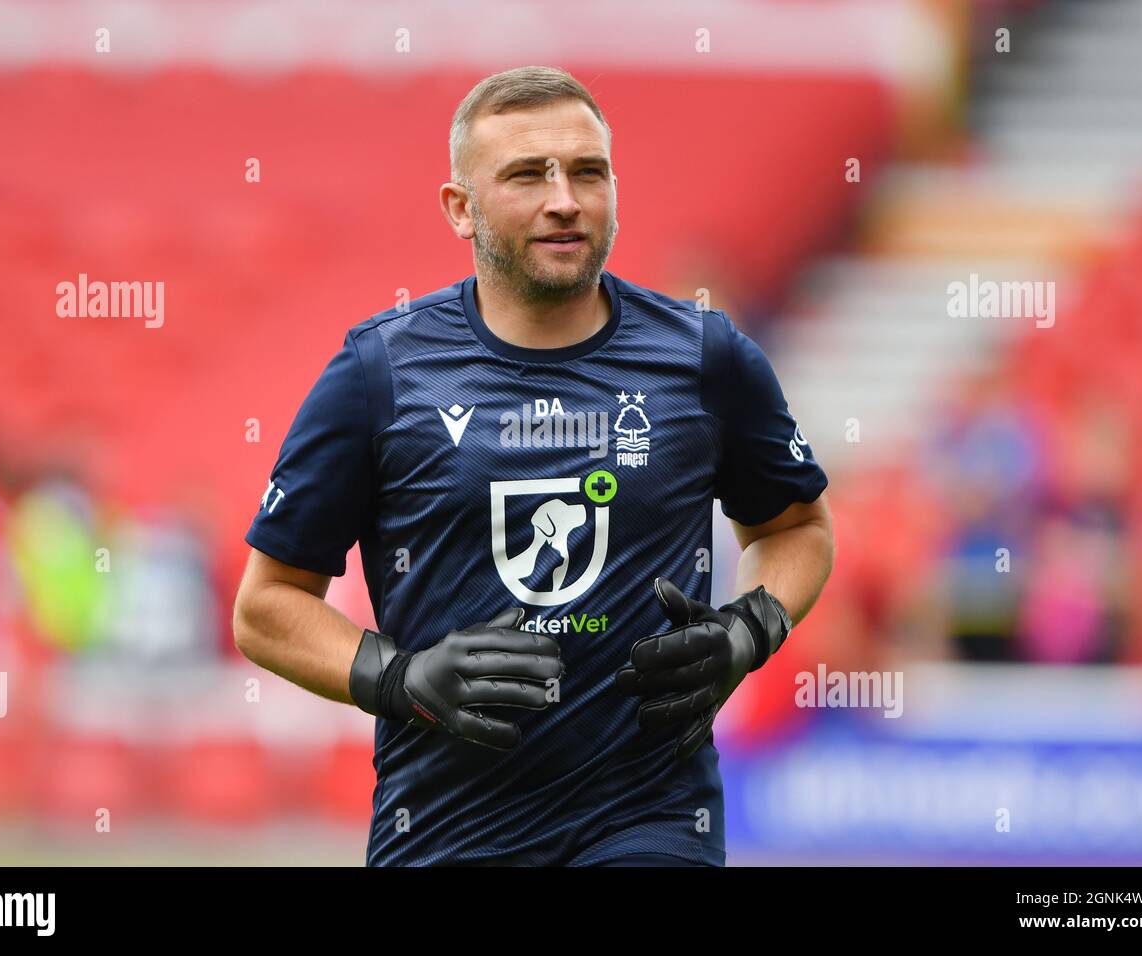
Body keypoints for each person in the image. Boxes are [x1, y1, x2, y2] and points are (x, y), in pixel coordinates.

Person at [232, 66, 834, 867]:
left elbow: (798, 528)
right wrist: (400, 678)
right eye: (526, 175)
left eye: (588, 171)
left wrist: (749, 630)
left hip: (651, 821)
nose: (565, 199)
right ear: (460, 208)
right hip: (443, 832)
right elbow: (266, 605)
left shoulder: (703, 357)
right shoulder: (381, 372)